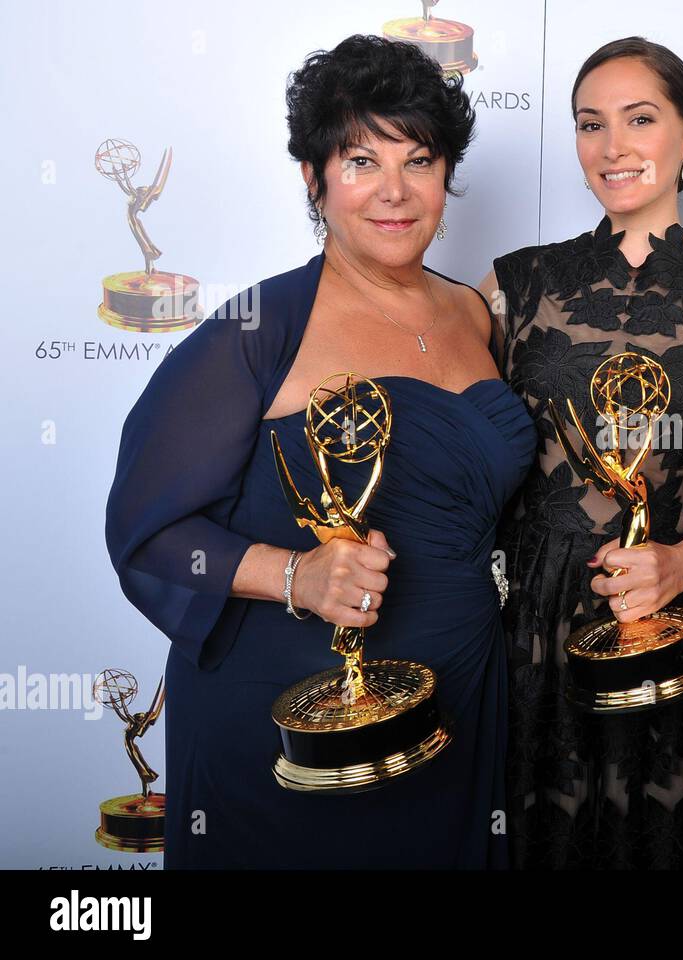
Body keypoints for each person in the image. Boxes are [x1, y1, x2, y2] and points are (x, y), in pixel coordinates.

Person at [104, 34, 534, 868]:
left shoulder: (474, 314)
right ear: (315, 177)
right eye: (362, 161)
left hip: (457, 704)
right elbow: (145, 532)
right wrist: (296, 574)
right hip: (293, 730)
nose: (396, 192)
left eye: (420, 159)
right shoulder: (261, 331)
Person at [480, 37, 683, 868]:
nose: (612, 147)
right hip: (528, 612)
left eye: (639, 119)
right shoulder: (517, 282)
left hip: (675, 608)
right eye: (590, 124)